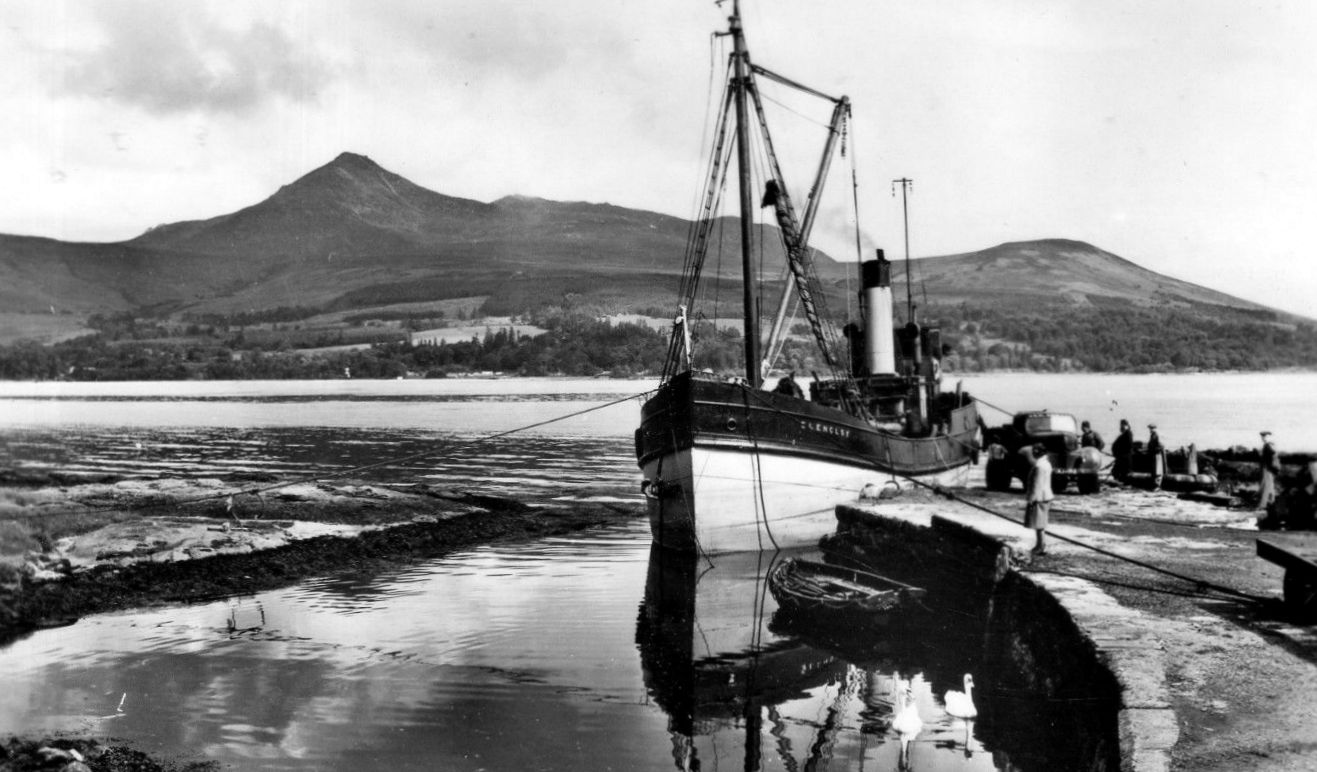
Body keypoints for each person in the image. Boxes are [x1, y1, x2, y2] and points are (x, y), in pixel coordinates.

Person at [1025, 443, 1054, 555]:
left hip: (1040, 497)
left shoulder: (1039, 466)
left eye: (1034, 451)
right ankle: (1040, 545)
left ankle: (1040, 546)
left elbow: (1037, 484)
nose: (1032, 453)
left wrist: (1032, 499)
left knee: (1039, 524)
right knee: (1040, 523)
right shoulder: (1046, 463)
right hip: (1045, 495)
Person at [1258, 430, 1279, 512]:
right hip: (1269, 468)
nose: (1263, 438)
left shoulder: (1268, 446)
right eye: (1262, 437)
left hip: (1268, 468)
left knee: (1267, 486)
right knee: (1269, 486)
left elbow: (1270, 458)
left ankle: (1264, 505)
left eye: (1264, 436)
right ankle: (1271, 502)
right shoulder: (1270, 445)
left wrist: (1268, 467)